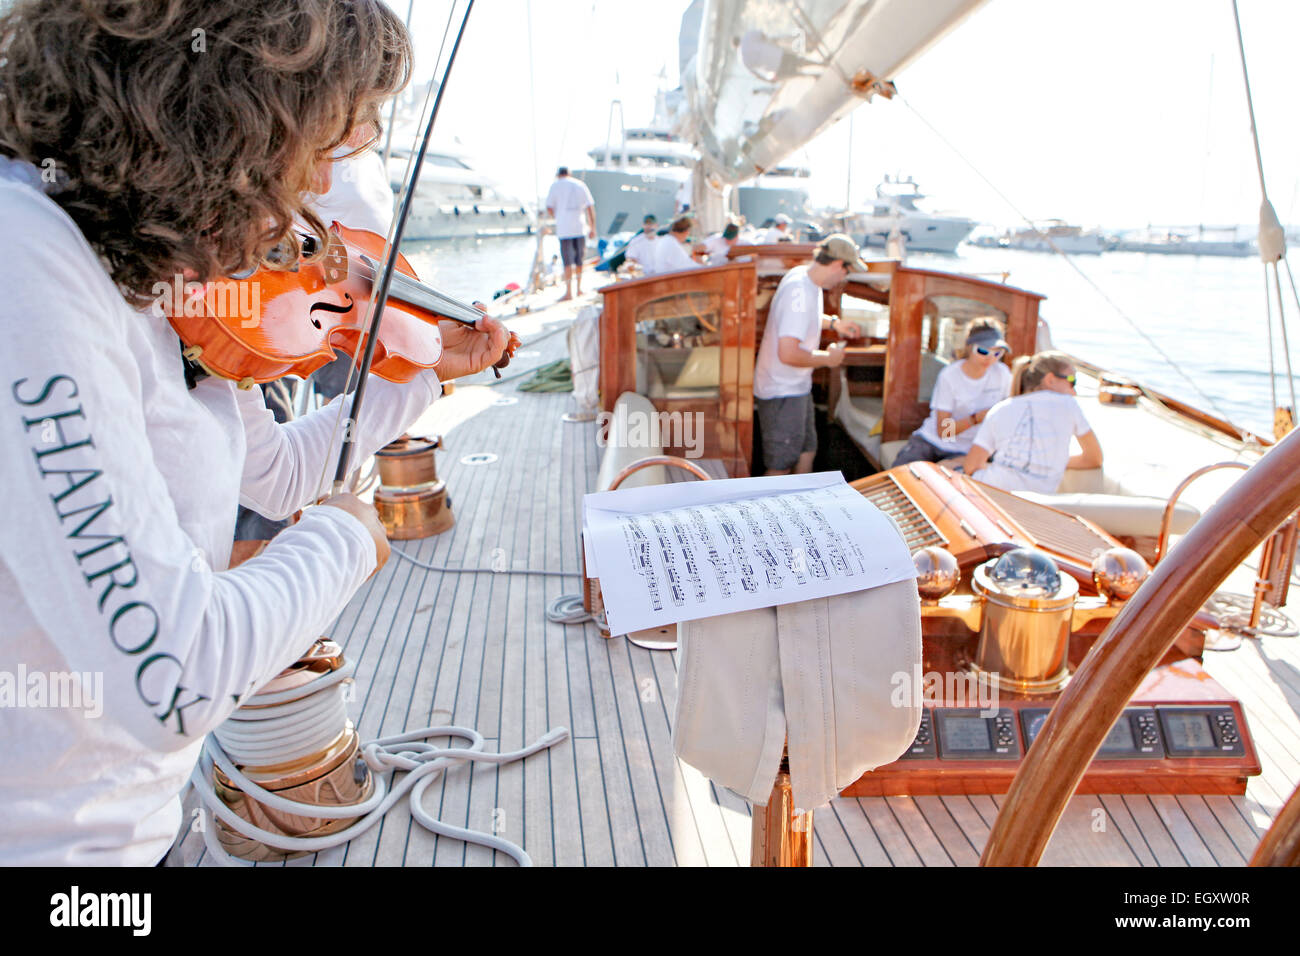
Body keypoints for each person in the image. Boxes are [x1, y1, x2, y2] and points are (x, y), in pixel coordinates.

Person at [0, 0, 510, 866]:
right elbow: (175, 674)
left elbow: (273, 476)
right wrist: (348, 539)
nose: (313, 193)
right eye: (314, 150)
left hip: (138, 825)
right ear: (222, 111)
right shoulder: (30, 259)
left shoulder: (161, 275)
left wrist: (426, 375)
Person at [753, 234, 867, 475]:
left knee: (807, 450)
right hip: (781, 391)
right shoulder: (800, 291)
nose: (844, 278)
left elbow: (805, 319)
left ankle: (802, 507)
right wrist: (828, 359)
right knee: (780, 465)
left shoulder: (804, 278)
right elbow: (788, 353)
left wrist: (835, 324)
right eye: (847, 272)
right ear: (838, 265)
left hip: (796, 388)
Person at [963, 351, 1103, 493]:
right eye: (1072, 381)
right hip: (950, 443)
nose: (1074, 391)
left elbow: (971, 466)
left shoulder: (1002, 390)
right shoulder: (949, 378)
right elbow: (943, 429)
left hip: (987, 469)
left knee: (956, 465)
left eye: (997, 353)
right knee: (950, 458)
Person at [893, 318, 1013, 466]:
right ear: (969, 348)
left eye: (997, 353)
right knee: (900, 473)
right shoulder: (949, 376)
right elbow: (944, 432)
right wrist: (976, 419)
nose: (990, 358)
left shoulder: (1003, 374)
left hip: (969, 449)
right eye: (983, 351)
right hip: (931, 442)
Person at [545, 166, 596, 301]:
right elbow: (590, 207)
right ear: (569, 174)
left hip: (564, 229)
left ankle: (569, 293)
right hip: (580, 227)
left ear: (559, 174)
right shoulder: (580, 185)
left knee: (567, 261)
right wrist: (593, 227)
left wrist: (557, 216)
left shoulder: (555, 186)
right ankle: (579, 289)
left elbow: (549, 207)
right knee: (579, 260)